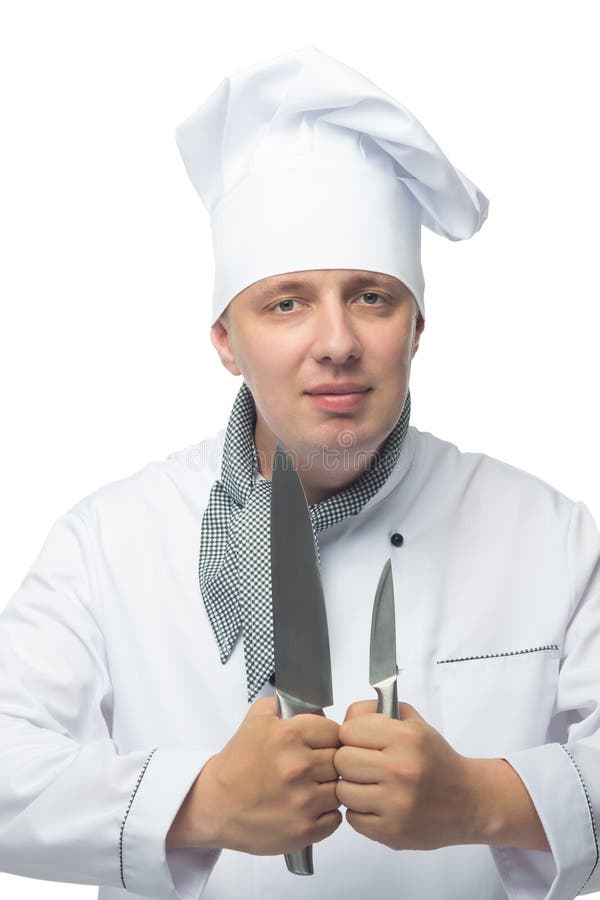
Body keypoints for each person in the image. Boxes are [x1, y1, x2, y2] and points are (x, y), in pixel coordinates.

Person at [1, 44, 599, 900]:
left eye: (371, 295)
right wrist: (195, 803)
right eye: (286, 302)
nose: (337, 342)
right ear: (225, 342)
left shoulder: (548, 533)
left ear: (416, 326)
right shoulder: (110, 541)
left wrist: (487, 799)